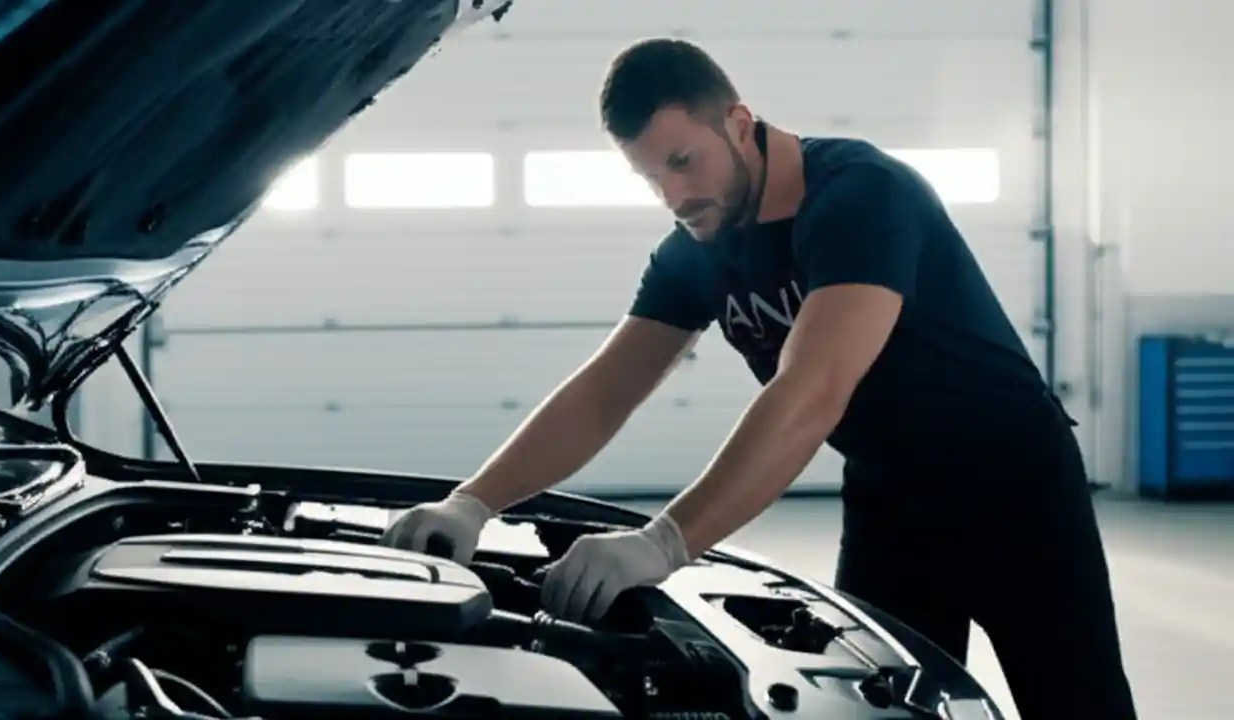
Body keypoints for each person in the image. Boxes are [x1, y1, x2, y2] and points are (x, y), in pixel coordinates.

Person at [381, 38, 1136, 718]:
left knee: (1077, 703)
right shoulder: (696, 247)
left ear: (739, 123)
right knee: (874, 709)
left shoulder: (863, 195)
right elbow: (604, 391)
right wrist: (474, 501)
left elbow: (812, 391)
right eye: (650, 177)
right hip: (891, 495)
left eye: (684, 161)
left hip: (1013, 484)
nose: (674, 197)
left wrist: (666, 541)